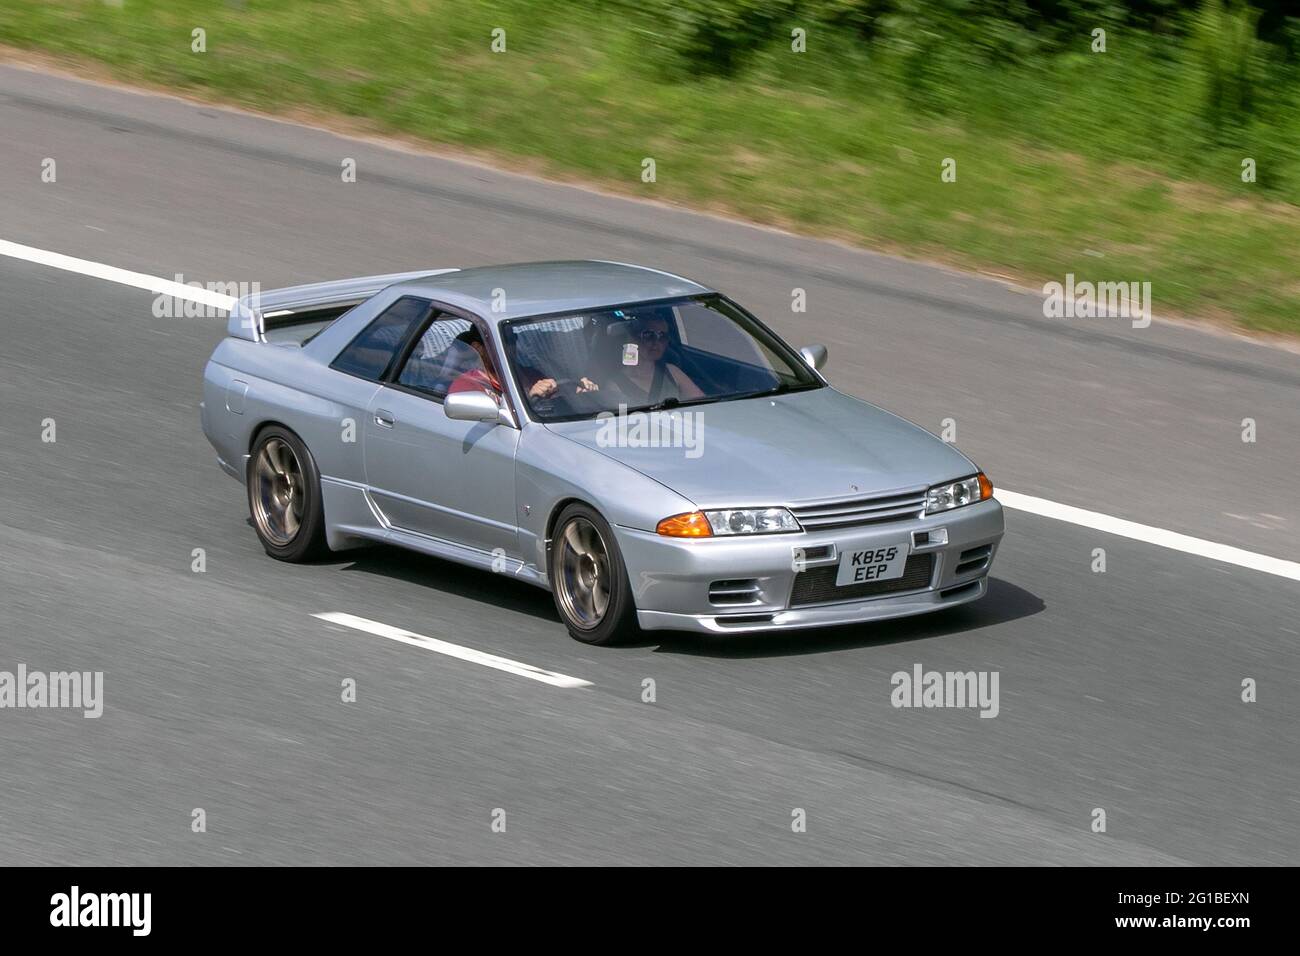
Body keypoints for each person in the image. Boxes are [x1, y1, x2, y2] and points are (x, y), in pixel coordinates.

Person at [448, 326, 598, 403]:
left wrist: (579, 391)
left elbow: (560, 403)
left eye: (512, 340)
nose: (509, 348)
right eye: (500, 343)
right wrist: (531, 397)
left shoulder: (531, 375)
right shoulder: (466, 385)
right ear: (478, 348)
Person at [601, 313, 703, 406]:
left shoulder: (672, 372)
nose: (656, 342)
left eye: (662, 336)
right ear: (633, 339)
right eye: (649, 336)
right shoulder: (615, 385)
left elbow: (701, 403)